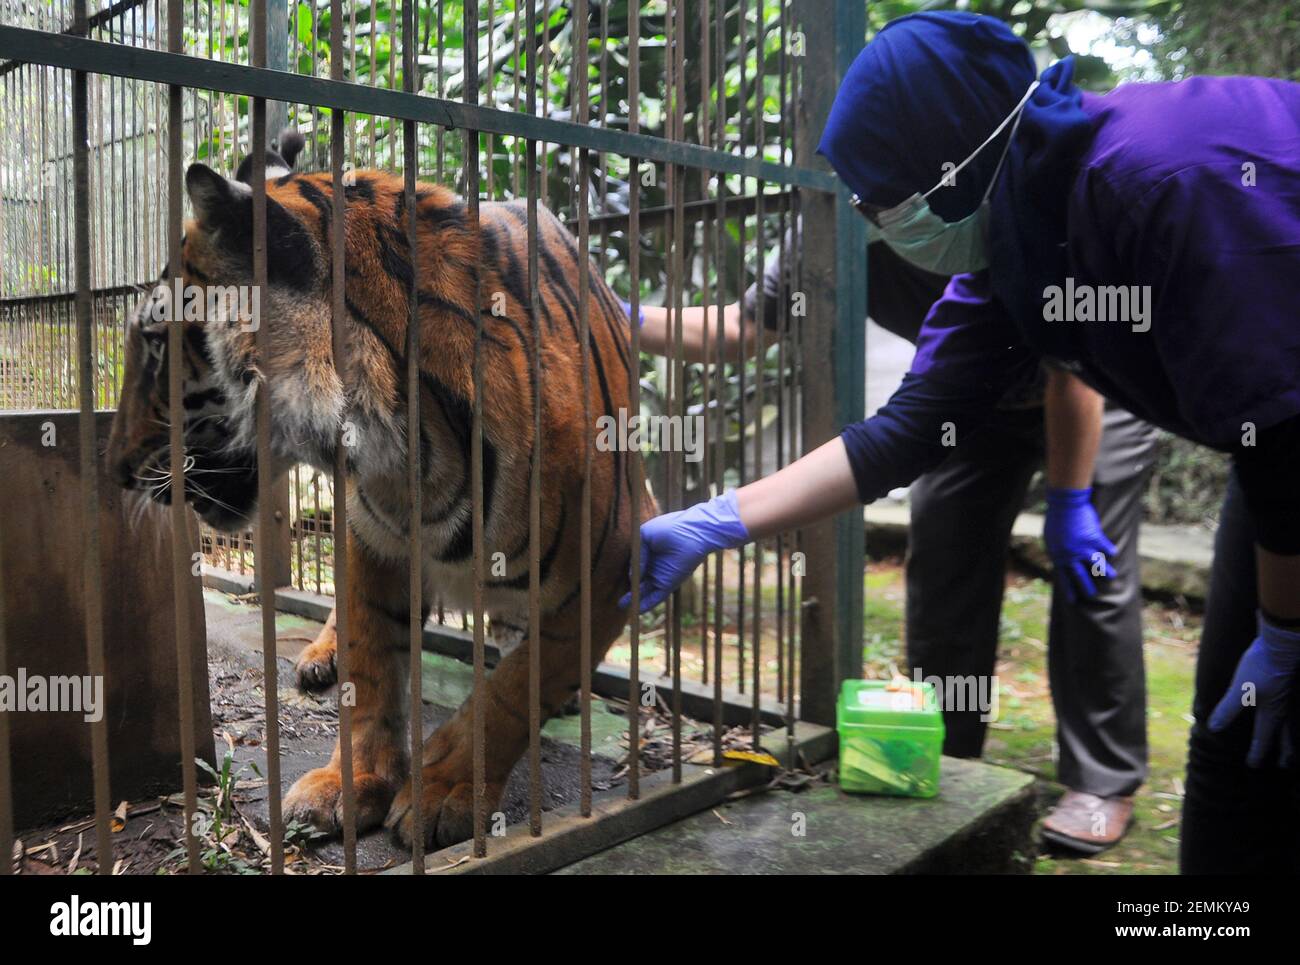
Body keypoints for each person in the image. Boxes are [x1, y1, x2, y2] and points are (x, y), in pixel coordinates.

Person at [625, 11, 1300, 874]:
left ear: (953, 160)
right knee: (1234, 732)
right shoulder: (1012, 246)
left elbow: (1283, 440)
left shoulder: (1152, 179)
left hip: (1282, 447)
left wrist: (1281, 622)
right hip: (1275, 457)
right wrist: (713, 523)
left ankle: (1115, 780)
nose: (872, 218)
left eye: (881, 197)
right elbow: (904, 433)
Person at [630, 233, 1158, 853]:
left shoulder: (993, 211)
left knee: (1090, 573)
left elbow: (1072, 368)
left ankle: (1103, 779)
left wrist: (1070, 500)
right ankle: (951, 750)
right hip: (965, 397)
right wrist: (620, 315)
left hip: (1093, 391)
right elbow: (741, 331)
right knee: (942, 564)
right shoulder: (832, 237)